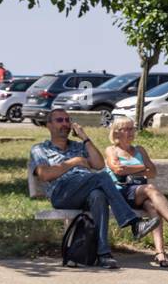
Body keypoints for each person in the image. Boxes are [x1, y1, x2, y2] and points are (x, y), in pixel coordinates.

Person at [30, 108, 161, 268]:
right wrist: (75, 162)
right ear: (49, 125)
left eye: (67, 120)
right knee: (102, 178)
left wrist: (85, 137)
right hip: (62, 193)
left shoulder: (79, 146)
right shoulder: (40, 149)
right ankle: (133, 224)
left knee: (98, 196)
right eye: (59, 120)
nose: (65, 124)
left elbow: (98, 164)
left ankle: (103, 254)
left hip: (86, 189)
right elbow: (45, 174)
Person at [104, 116, 168, 268]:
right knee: (150, 188)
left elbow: (153, 172)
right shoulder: (111, 150)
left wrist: (135, 169)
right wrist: (142, 167)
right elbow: (118, 169)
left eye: (132, 129)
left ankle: (160, 253)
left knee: (154, 207)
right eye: (126, 129)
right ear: (116, 133)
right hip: (122, 194)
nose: (130, 132)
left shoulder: (140, 150)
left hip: (140, 193)